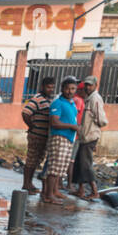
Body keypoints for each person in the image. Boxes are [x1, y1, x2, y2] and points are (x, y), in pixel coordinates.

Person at [41, 76, 79, 206]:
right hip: (59, 137)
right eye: (68, 88)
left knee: (61, 168)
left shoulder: (72, 103)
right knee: (54, 168)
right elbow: (54, 122)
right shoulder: (58, 102)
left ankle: (54, 191)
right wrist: (72, 126)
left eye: (73, 88)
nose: (70, 91)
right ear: (62, 88)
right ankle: (48, 195)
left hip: (68, 138)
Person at [71, 75, 106, 200]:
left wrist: (94, 125)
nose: (87, 87)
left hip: (90, 135)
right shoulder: (88, 98)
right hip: (84, 136)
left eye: (90, 85)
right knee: (80, 163)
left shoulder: (95, 99)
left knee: (86, 164)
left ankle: (94, 191)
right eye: (86, 84)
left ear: (95, 86)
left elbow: (101, 119)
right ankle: (80, 190)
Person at [20, 77, 55, 193]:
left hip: (44, 136)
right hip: (36, 135)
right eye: (48, 87)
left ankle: (30, 183)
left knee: (37, 160)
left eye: (52, 87)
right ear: (42, 87)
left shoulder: (50, 100)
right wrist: (32, 126)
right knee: (31, 160)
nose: (50, 89)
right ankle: (26, 184)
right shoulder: (37, 99)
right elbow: (25, 113)